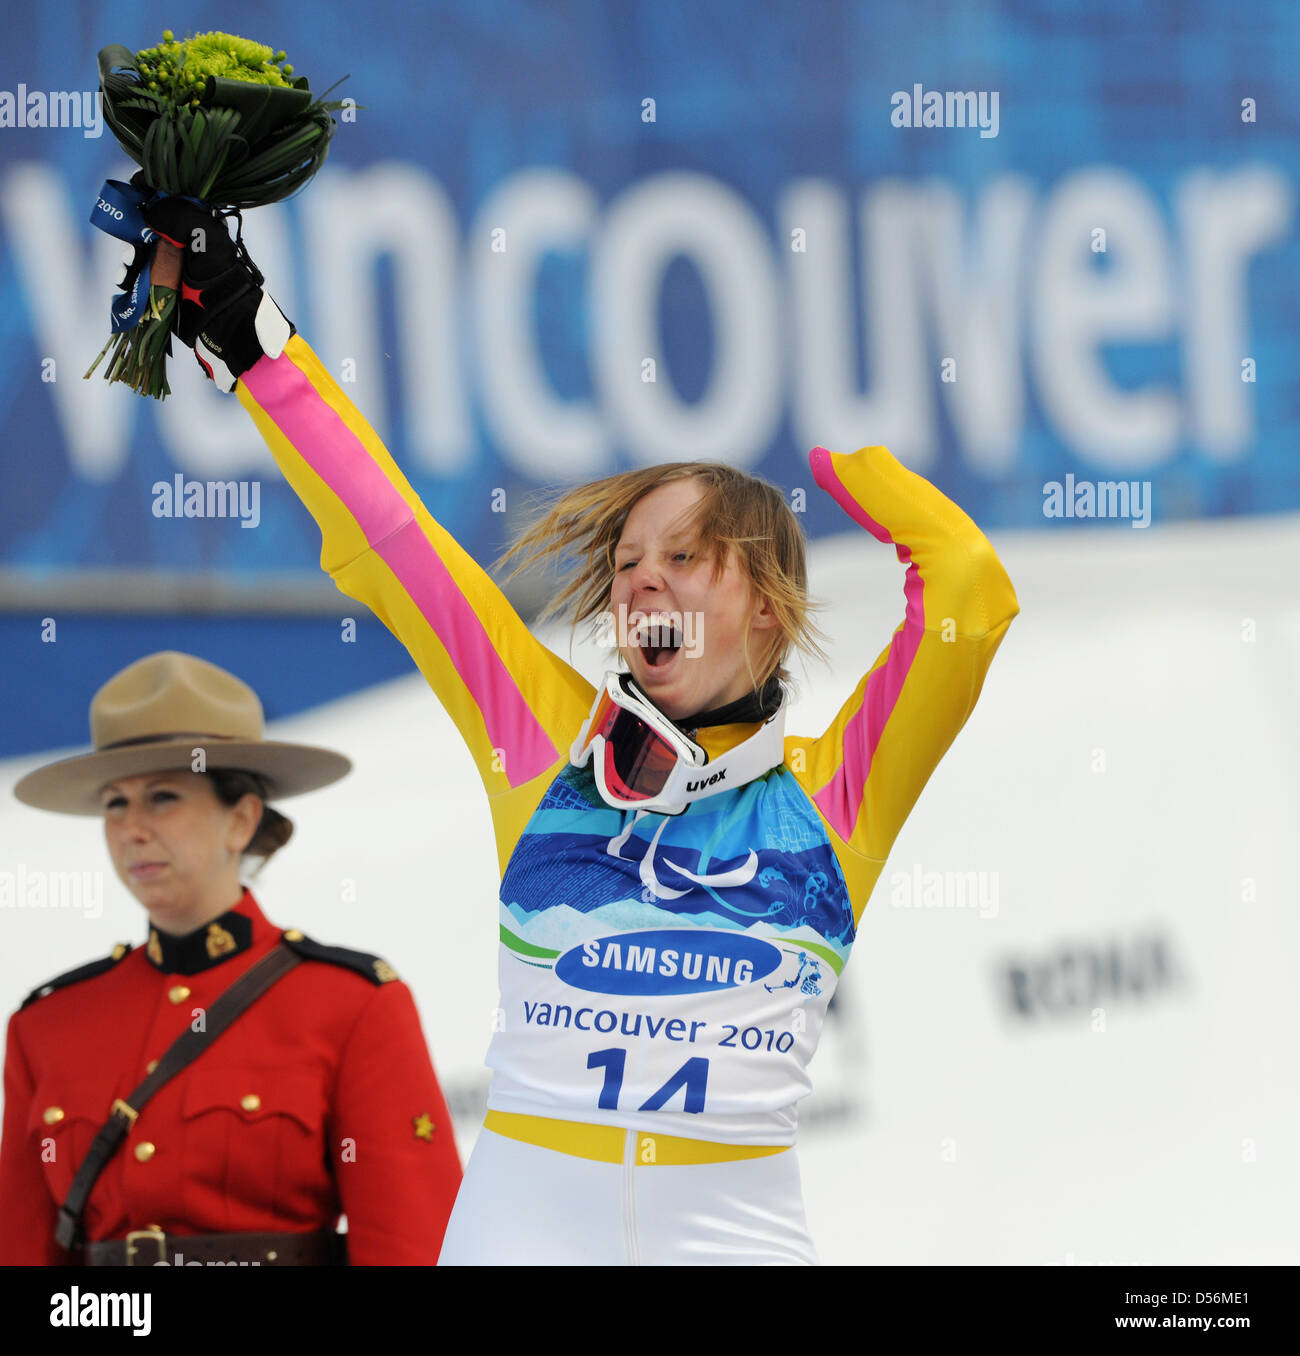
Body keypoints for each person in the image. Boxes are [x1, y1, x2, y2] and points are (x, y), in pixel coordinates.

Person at [136, 199, 1019, 1265]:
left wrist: (864, 476)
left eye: (685, 557)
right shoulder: (547, 739)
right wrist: (257, 349)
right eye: (627, 561)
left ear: (771, 608)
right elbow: (394, 545)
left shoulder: (834, 801)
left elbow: (969, 601)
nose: (642, 575)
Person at [0, 651, 462, 1265]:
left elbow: (412, 1244)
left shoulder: (353, 1005)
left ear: (241, 819)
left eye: (162, 797)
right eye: (115, 803)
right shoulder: (49, 1024)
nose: (131, 828)